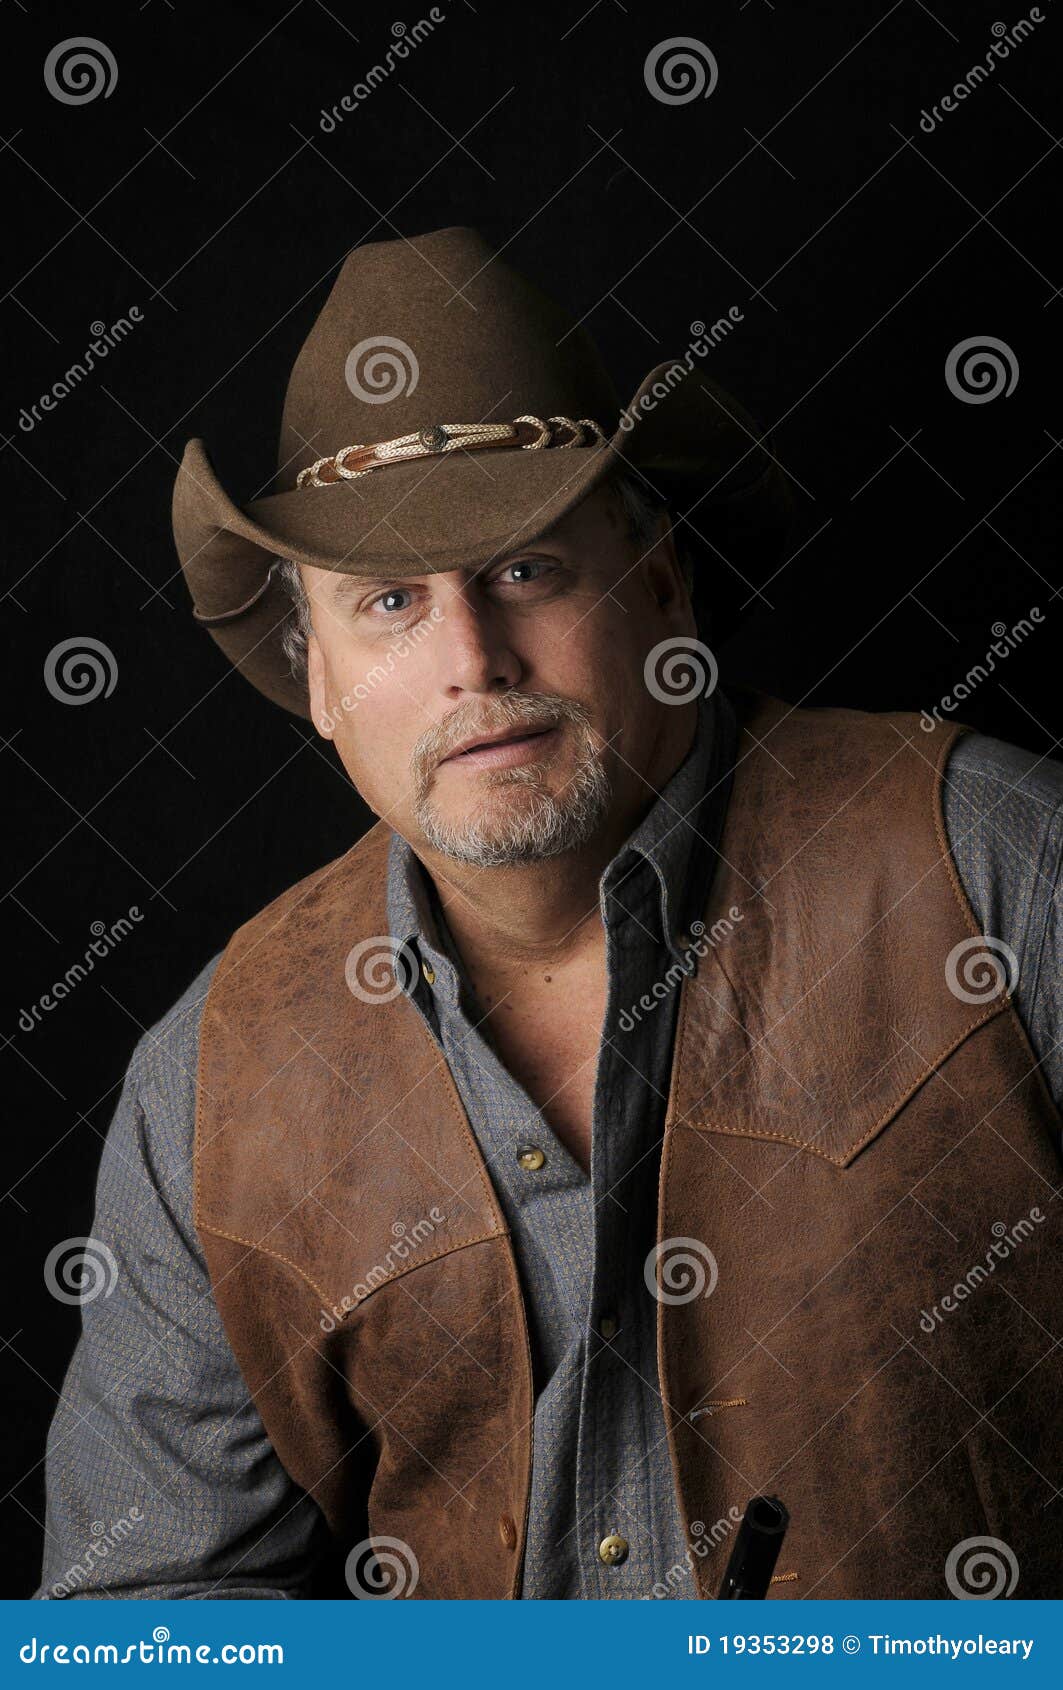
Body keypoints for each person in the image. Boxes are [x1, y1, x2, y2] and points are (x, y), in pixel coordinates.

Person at [37, 226, 1063, 1601]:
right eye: (390, 602)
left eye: (524, 568)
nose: (472, 658)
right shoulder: (212, 1083)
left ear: (658, 581)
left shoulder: (1001, 866)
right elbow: (143, 1618)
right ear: (319, 679)